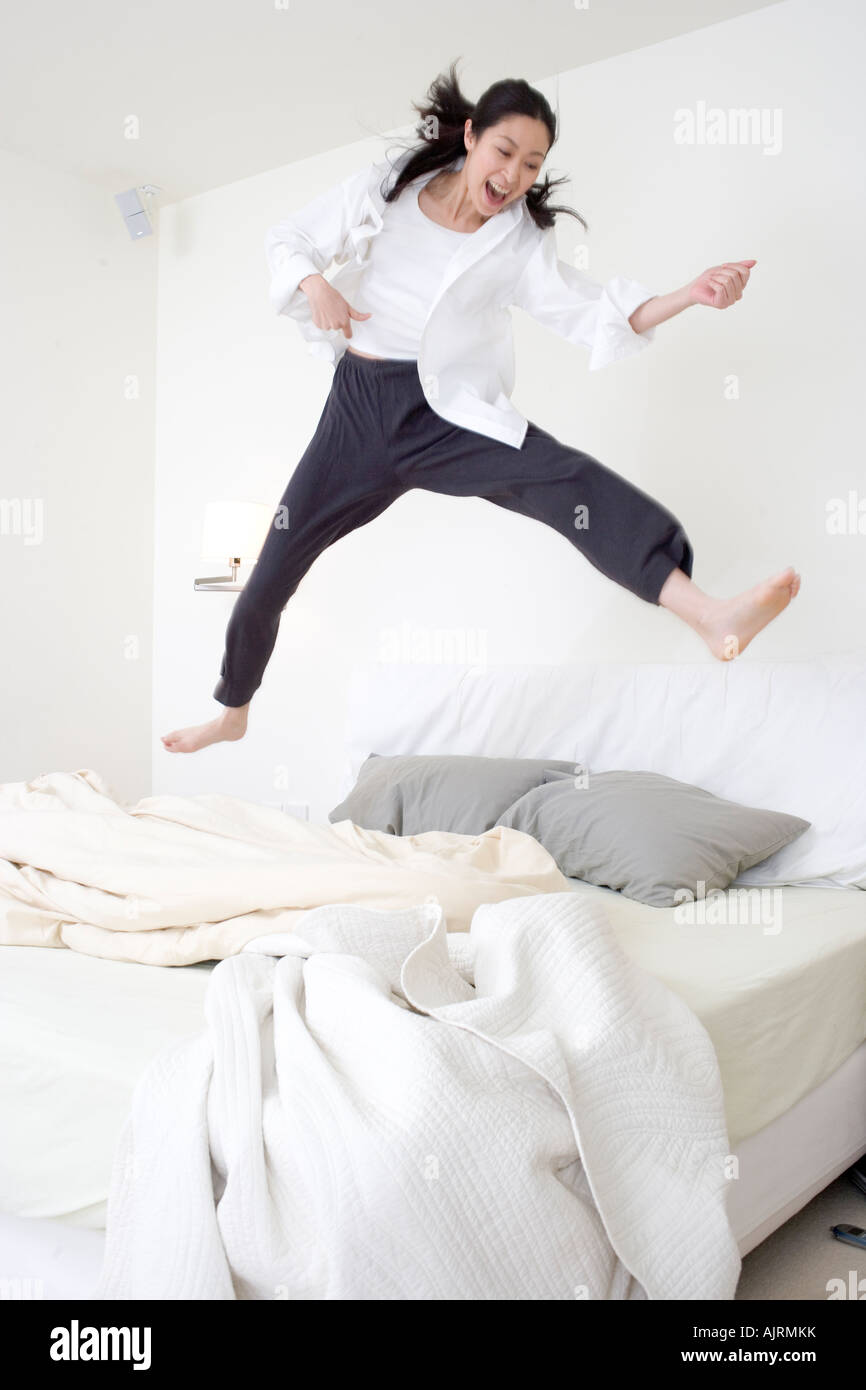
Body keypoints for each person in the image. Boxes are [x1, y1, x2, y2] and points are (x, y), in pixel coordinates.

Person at [163, 62, 799, 754]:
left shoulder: (518, 243)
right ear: (470, 137)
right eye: (504, 152)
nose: (514, 175)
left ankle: (709, 616)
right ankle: (233, 708)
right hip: (358, 409)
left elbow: (589, 310)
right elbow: (288, 239)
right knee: (275, 565)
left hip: (445, 416)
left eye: (532, 164)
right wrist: (314, 281)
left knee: (568, 480)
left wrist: (689, 294)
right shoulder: (390, 189)